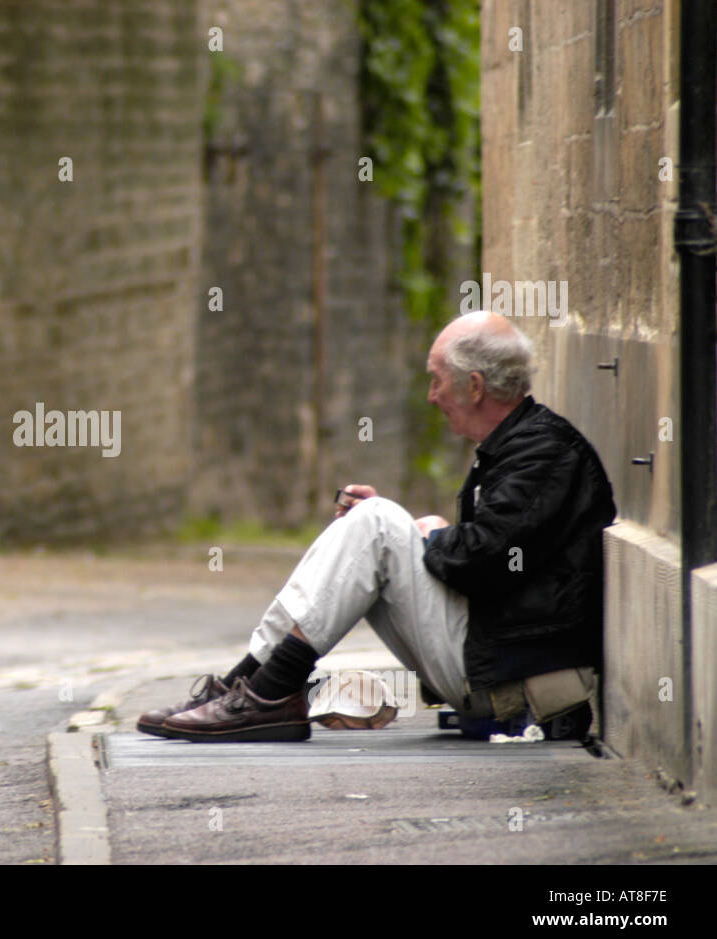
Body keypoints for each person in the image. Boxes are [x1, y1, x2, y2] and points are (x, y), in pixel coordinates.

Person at [140, 311, 616, 742]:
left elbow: (481, 563)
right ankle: (250, 686)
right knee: (375, 523)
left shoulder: (543, 452)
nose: (431, 396)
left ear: (474, 386)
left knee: (378, 521)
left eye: (437, 381)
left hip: (516, 686)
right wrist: (411, 532)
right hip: (498, 665)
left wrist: (418, 532)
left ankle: (265, 694)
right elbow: (498, 554)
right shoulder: (521, 446)